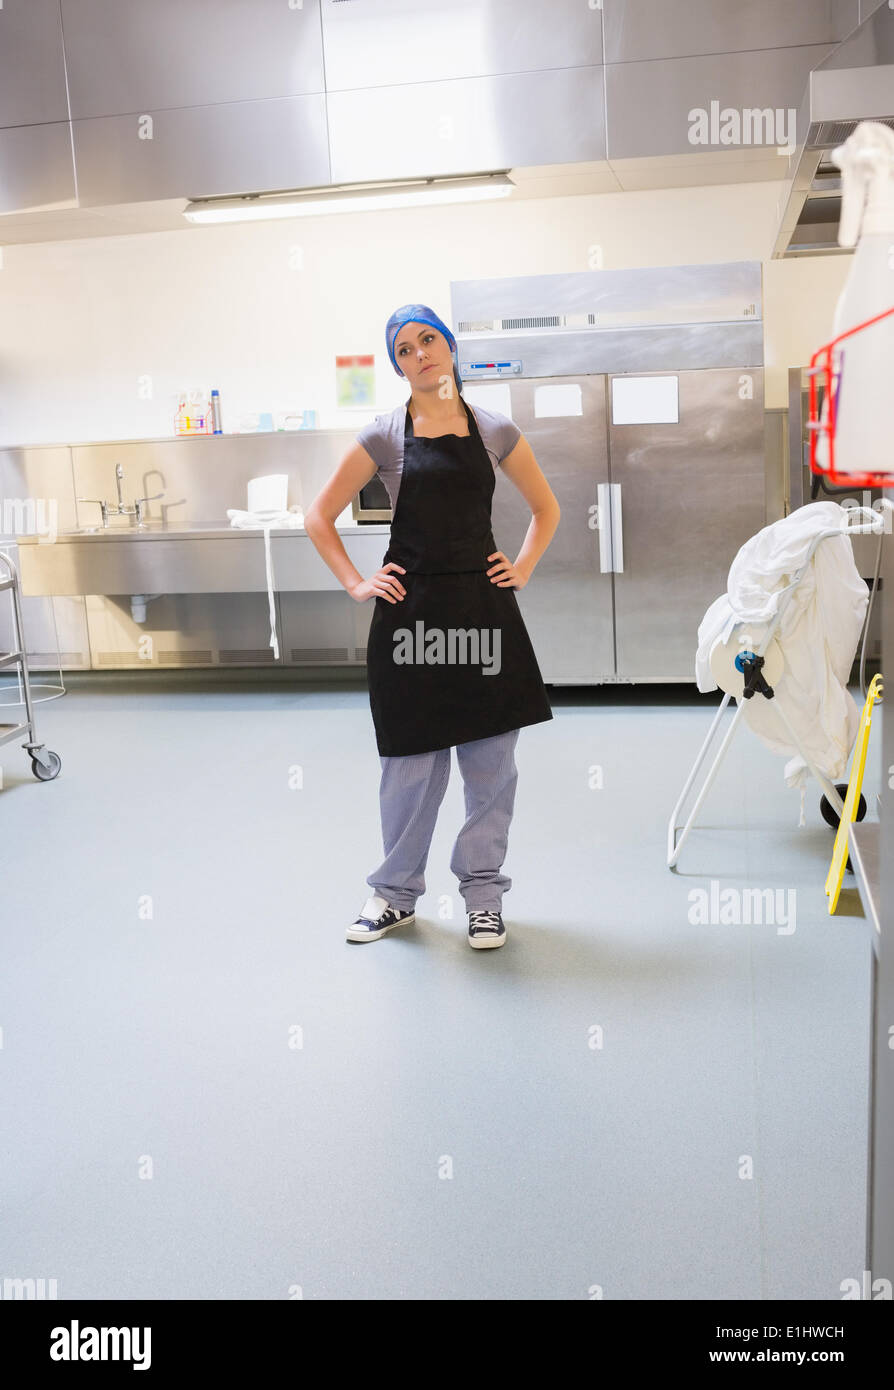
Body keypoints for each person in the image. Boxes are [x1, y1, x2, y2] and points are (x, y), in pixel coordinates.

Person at [304, 303, 560, 949]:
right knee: (410, 766)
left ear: (449, 344)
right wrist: (357, 583)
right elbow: (319, 516)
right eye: (405, 350)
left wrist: (522, 566)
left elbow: (546, 508)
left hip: (482, 615)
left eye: (428, 340)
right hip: (411, 621)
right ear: (397, 366)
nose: (421, 355)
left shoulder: (495, 428)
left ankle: (483, 897)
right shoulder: (385, 434)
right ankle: (394, 897)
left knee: (491, 765)